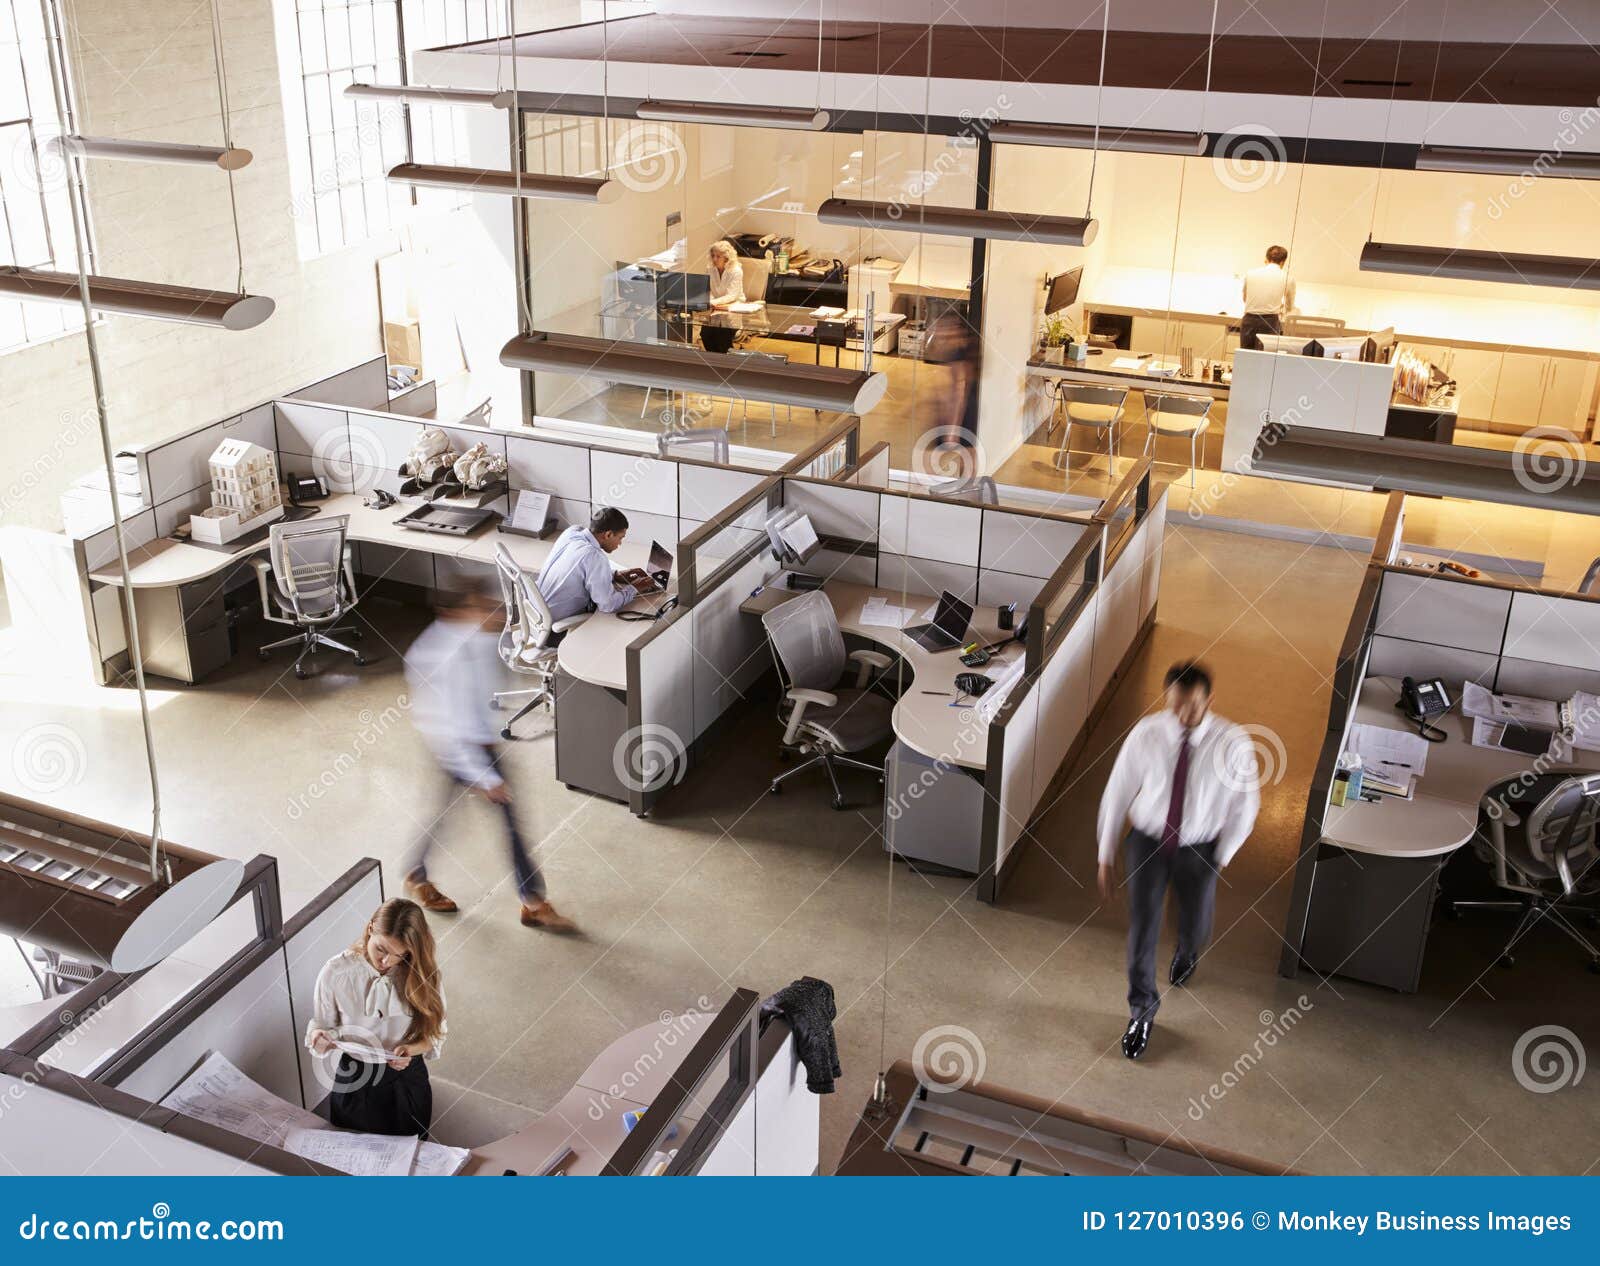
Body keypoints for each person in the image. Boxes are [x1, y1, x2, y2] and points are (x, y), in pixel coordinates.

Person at [1096, 661, 1259, 1061]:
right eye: (1175, 705)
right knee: (1144, 926)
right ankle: (1142, 1010)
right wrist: (1105, 853)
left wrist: (1220, 858)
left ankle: (1187, 949)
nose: (1183, 715)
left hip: (1200, 849)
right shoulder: (1147, 734)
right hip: (1148, 842)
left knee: (1195, 924)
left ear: (1209, 700)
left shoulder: (1233, 743)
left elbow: (1246, 806)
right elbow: (1118, 791)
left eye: (1192, 705)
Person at [402, 580, 576, 932]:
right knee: (510, 822)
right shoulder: (437, 658)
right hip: (459, 750)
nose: (494, 612)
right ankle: (533, 902)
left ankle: (416, 872)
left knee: (443, 813)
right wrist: (486, 778)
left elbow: (489, 690)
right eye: (479, 606)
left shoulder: (477, 637)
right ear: (452, 614)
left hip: (481, 742)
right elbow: (447, 726)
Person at [306, 898, 446, 1137]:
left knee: (409, 1155)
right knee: (351, 1155)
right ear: (371, 928)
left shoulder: (421, 973)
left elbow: (435, 1035)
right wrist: (318, 1037)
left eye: (399, 955)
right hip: (355, 1078)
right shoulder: (336, 972)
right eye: (381, 948)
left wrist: (410, 1050)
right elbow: (322, 1025)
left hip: (406, 1077)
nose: (386, 961)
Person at [535, 506, 651, 624]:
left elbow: (581, 570)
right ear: (608, 535)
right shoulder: (595, 556)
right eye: (620, 538)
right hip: (553, 622)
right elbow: (607, 605)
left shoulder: (572, 532)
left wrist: (614, 575)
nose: (620, 543)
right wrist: (635, 588)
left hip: (535, 611)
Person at [1239, 244, 1296, 350]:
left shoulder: (1250, 273)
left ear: (1266, 259)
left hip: (1249, 320)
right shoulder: (1288, 278)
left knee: (1246, 357)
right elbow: (1289, 308)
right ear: (1283, 262)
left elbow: (1245, 298)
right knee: (1265, 359)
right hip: (1270, 322)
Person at [707, 240, 745, 309]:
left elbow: (731, 296)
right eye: (713, 256)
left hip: (734, 306)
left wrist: (712, 302)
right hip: (716, 305)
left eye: (718, 256)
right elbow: (708, 291)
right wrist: (707, 301)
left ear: (726, 258)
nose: (714, 259)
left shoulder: (736, 271)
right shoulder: (710, 269)